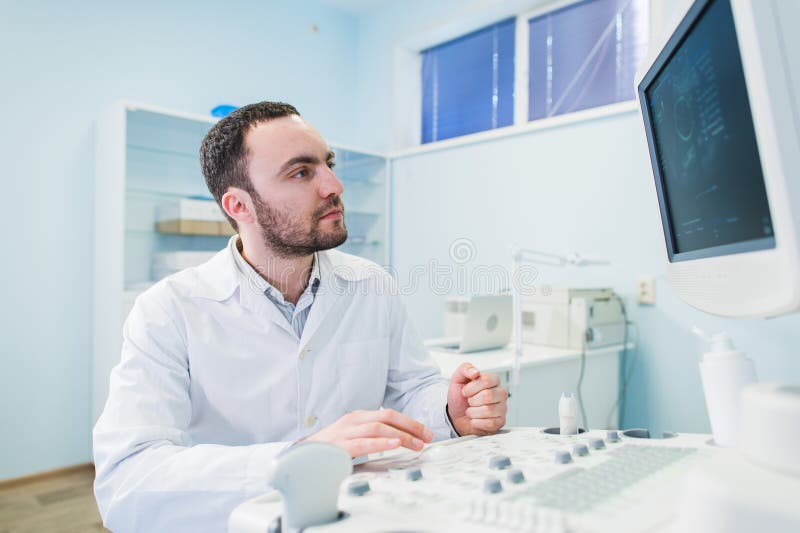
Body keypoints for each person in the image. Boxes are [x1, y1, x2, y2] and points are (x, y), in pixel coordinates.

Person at [93, 101, 508, 532]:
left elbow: (411, 387)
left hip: (355, 515)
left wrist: (449, 410)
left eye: (329, 164)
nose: (334, 185)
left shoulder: (371, 284)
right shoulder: (168, 310)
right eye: (301, 172)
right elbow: (128, 481)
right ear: (239, 206)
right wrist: (299, 456)